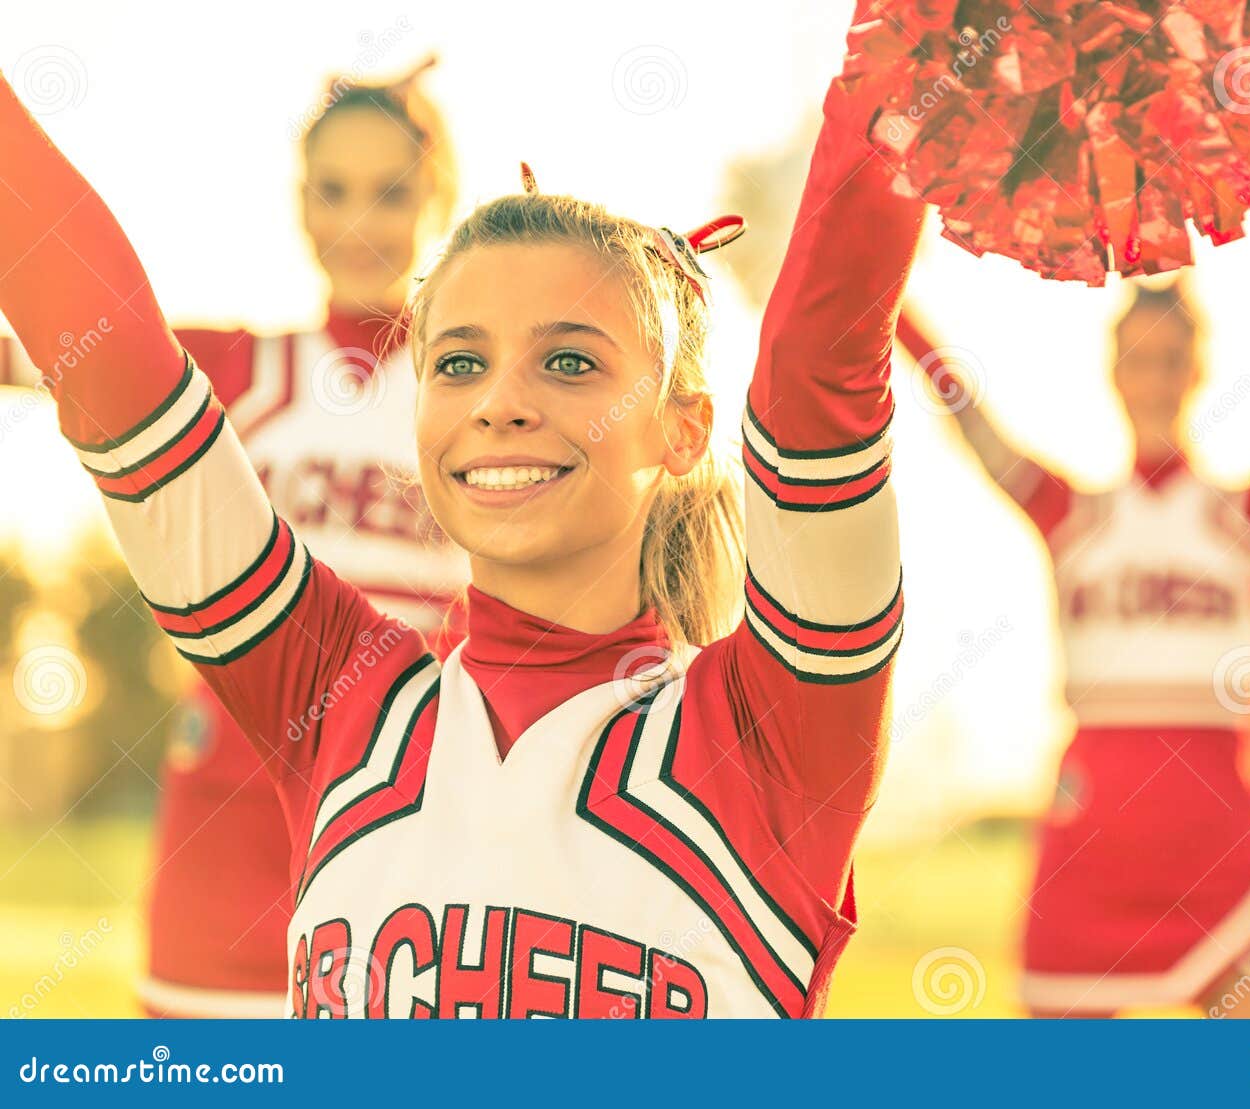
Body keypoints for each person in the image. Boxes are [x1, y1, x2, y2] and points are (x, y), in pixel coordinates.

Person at [0, 21, 922, 1017]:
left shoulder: (770, 737)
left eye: (570, 361)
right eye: (459, 362)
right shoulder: (346, 710)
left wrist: (920, 58)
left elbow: (820, 364)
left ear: (684, 429)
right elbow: (107, 361)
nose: (500, 402)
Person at [1, 61, 465, 1018]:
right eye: (333, 191)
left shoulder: (479, 393)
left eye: (391, 192)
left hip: (408, 838)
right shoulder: (239, 368)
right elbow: (52, 343)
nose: (359, 224)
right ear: (299, 203)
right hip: (224, 833)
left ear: (438, 196)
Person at [900, 283, 1250, 1017]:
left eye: (1174, 358)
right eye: (1140, 358)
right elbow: (963, 412)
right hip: (1095, 838)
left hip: (1222, 833)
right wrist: (886, 299)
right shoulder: (1072, 514)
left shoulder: (1246, 513)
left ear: (1198, 370)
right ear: (1113, 369)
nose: (1156, 378)